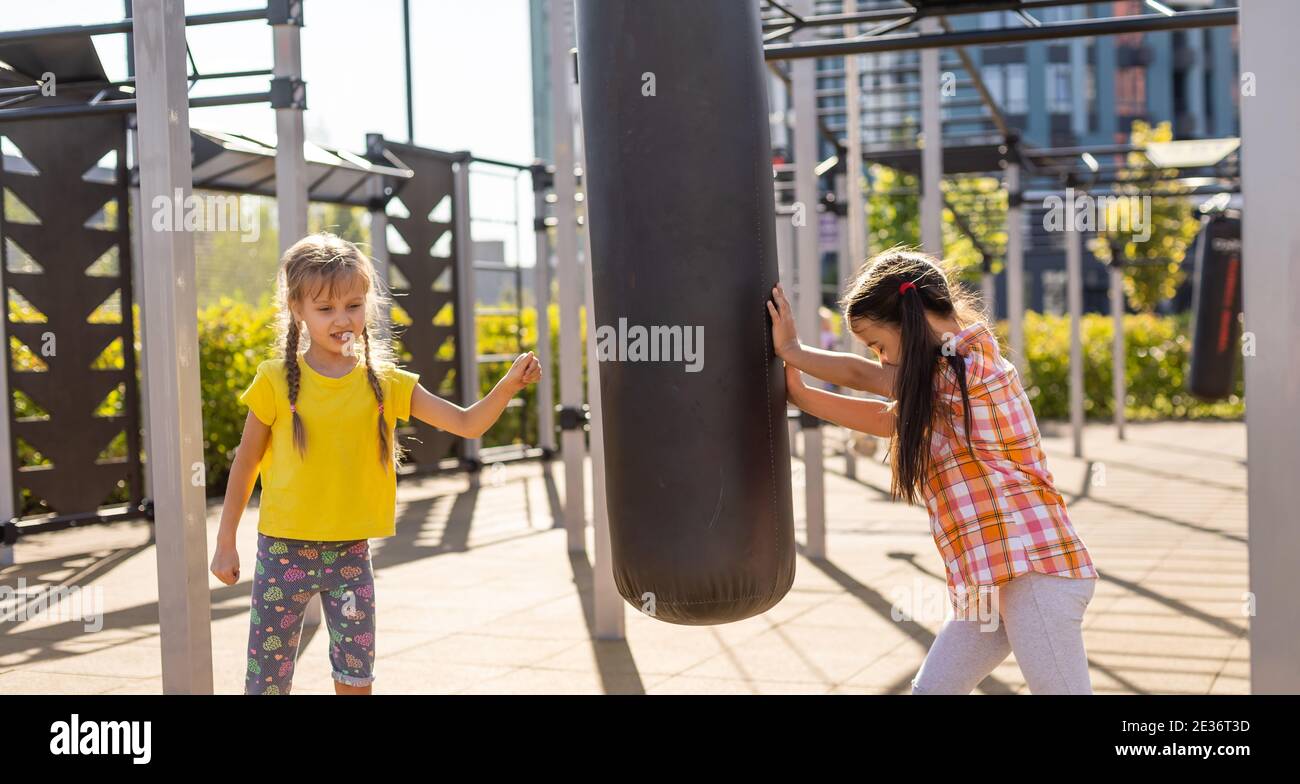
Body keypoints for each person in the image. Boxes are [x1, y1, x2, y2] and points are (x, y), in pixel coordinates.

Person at [210, 232, 542, 694]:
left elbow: (466, 424)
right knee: (266, 683)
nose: (342, 319)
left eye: (353, 305)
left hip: (350, 555)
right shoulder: (271, 380)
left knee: (356, 679)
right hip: (283, 552)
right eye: (325, 309)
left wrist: (507, 387)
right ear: (297, 308)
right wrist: (226, 541)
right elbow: (245, 463)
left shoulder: (387, 382)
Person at [768, 247, 1099, 694]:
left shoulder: (970, 369)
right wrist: (804, 393)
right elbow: (889, 415)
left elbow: (869, 381)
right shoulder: (944, 383)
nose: (882, 360)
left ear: (914, 313)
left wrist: (792, 355)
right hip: (993, 583)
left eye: (880, 346)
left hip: (1035, 573)